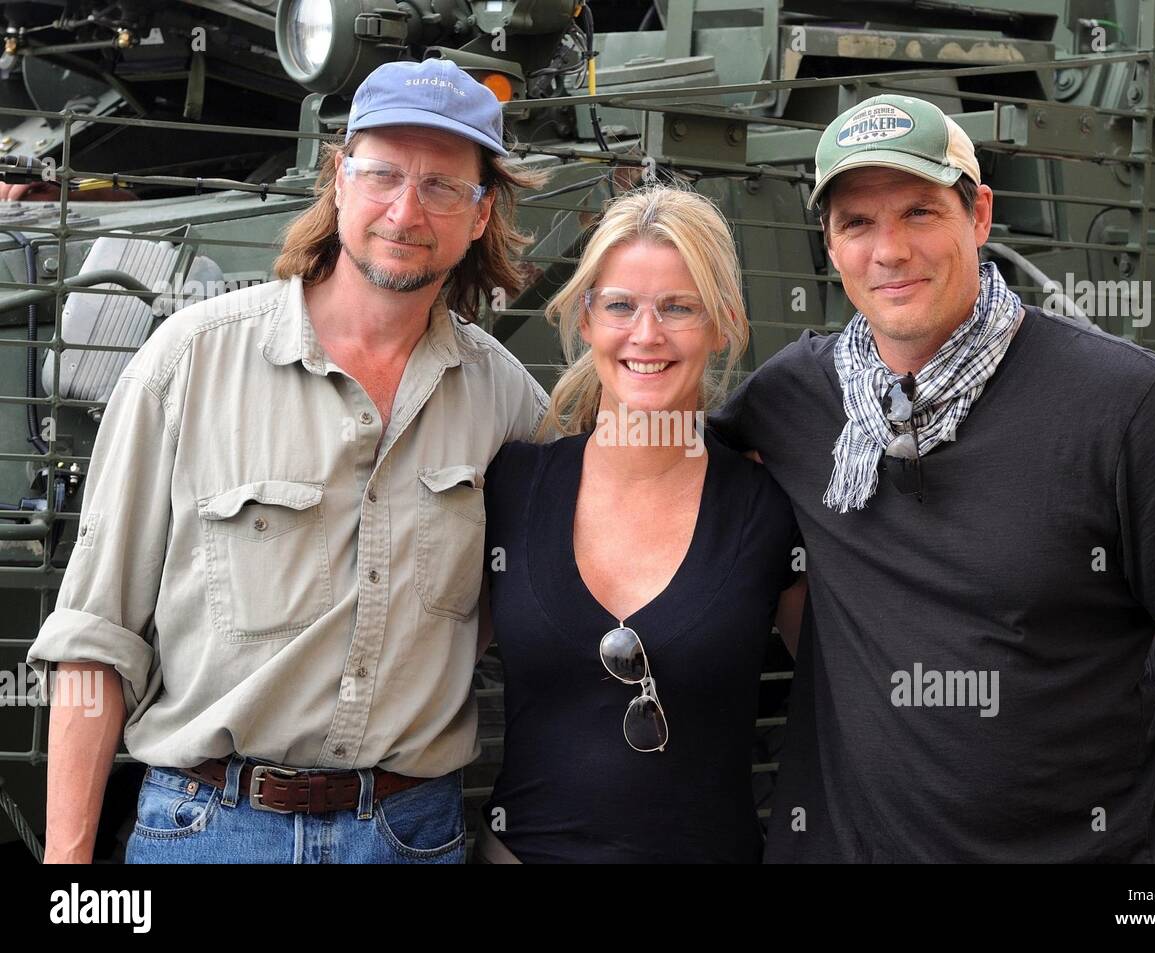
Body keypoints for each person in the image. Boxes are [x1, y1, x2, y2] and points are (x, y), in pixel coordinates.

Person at [710, 93, 1155, 862]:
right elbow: (675, 486)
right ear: (830, 243)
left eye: (919, 212)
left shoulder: (1125, 404)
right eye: (857, 222)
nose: (889, 250)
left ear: (978, 214)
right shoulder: (795, 399)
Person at [27, 58, 548, 864]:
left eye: (443, 186)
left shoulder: (507, 403)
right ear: (339, 179)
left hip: (409, 834)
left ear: (481, 215)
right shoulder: (188, 365)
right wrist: (66, 877)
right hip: (210, 828)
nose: (406, 210)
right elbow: (96, 638)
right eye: (382, 175)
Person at [475, 185, 807, 863]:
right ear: (586, 318)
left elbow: (848, 688)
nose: (647, 333)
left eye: (678, 307)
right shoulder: (513, 486)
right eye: (621, 304)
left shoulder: (767, 508)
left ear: (721, 324)